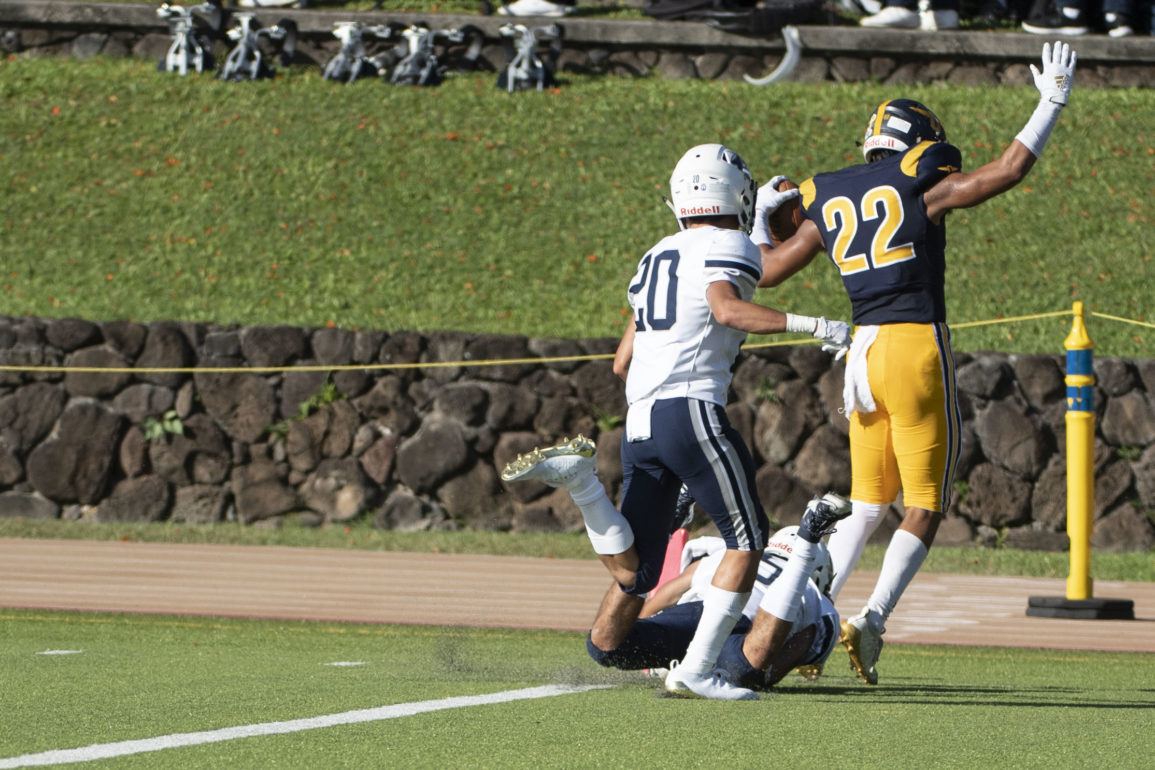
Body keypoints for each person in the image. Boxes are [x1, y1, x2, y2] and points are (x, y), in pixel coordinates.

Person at [752, 42, 1078, 685]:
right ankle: (871, 620)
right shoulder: (920, 189)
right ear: (917, 145)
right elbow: (1006, 170)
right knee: (925, 503)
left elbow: (764, 272)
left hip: (860, 358)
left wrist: (763, 221)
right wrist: (1052, 102)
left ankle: (798, 623)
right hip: (913, 349)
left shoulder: (827, 198)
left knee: (867, 502)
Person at [502, 142, 851, 700]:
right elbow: (728, 307)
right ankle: (699, 670)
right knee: (749, 539)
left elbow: (622, 361)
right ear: (735, 196)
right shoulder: (730, 243)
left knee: (637, 572)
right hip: (690, 409)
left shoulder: (656, 254)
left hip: (640, 420)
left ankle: (586, 486)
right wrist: (818, 325)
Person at [589, 510, 847, 690]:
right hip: (747, 631)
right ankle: (808, 540)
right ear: (820, 572)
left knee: (608, 647)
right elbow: (779, 665)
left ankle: (660, 533)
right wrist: (759, 675)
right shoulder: (820, 602)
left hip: (698, 613)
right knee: (742, 673)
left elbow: (670, 592)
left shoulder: (728, 556)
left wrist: (644, 636)